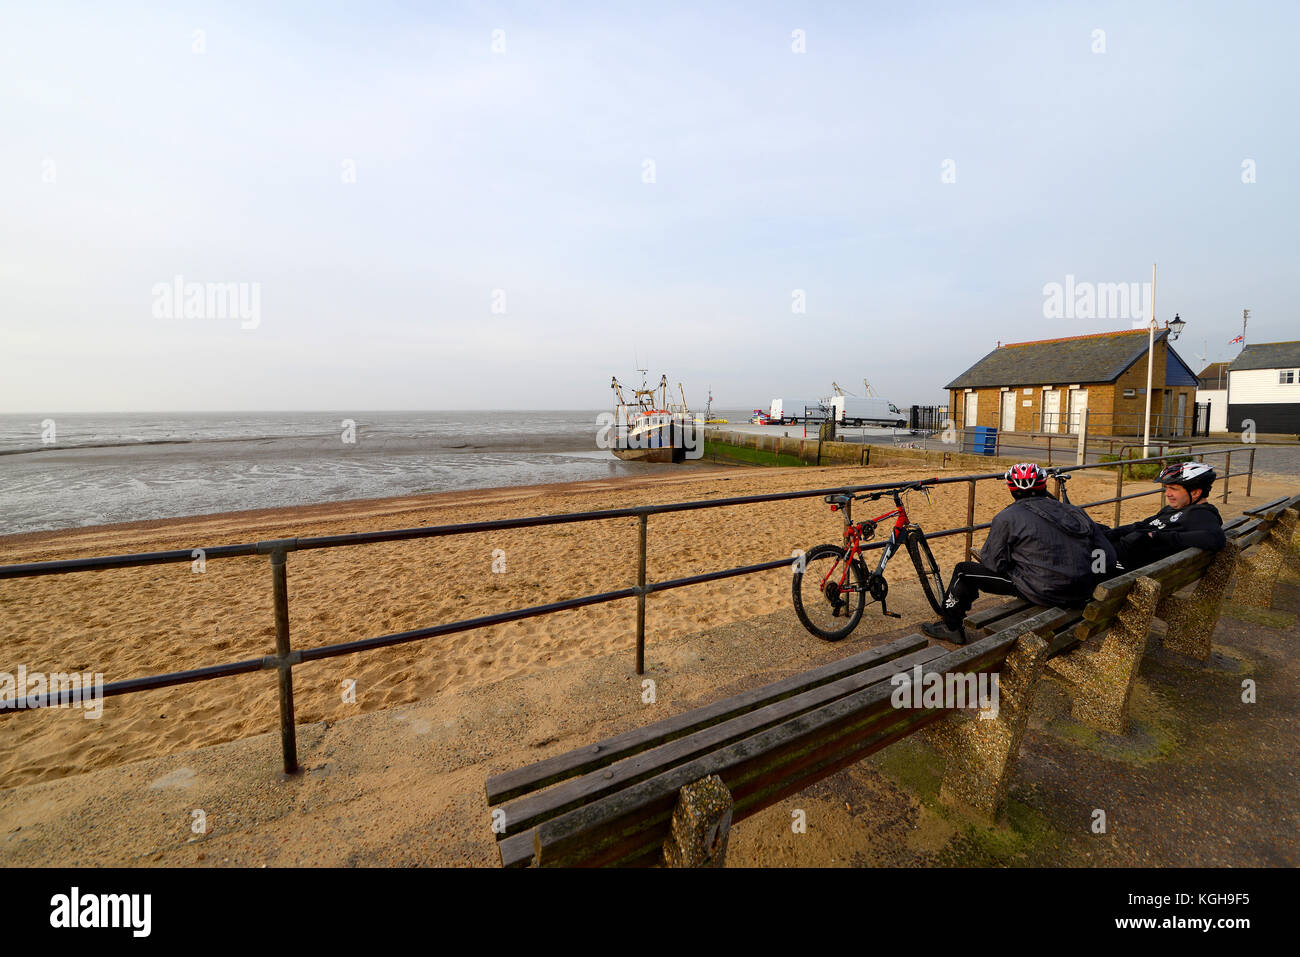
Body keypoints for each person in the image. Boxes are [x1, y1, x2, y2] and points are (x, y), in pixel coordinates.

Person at [921, 462, 1116, 645]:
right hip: (1084, 590)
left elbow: (992, 563)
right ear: (1043, 485)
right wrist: (1089, 578)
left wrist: (1018, 563)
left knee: (964, 571)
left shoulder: (1007, 517)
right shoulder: (1074, 511)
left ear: (1011, 488)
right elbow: (1107, 554)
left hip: (1044, 591)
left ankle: (951, 627)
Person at [1103, 462, 1224, 570]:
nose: (1167, 494)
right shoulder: (1173, 509)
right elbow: (1142, 525)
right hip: (1116, 551)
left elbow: (1216, 537)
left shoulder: (1200, 514)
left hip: (1119, 563)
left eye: (1173, 489)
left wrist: (1156, 536)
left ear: (1195, 492)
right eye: (1166, 488)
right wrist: (1113, 532)